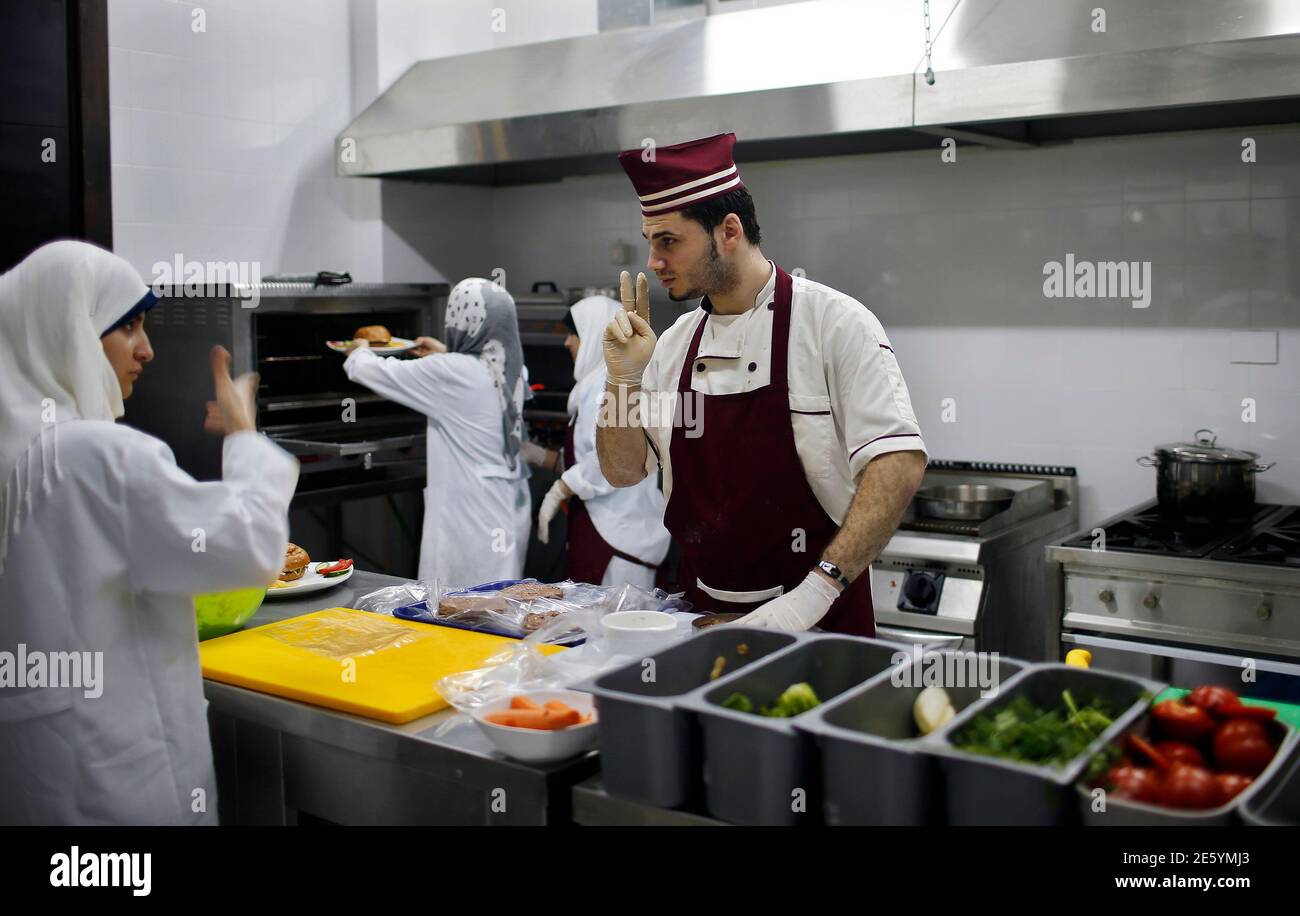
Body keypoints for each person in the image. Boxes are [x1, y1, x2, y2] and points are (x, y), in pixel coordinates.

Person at [0, 240, 298, 824]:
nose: (148, 350)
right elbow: (249, 545)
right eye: (127, 327)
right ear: (71, 331)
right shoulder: (93, 454)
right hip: (123, 782)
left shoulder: (17, 454)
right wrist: (244, 437)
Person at [597, 133, 929, 634]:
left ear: (728, 231)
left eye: (668, 241)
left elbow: (898, 463)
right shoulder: (673, 344)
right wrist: (621, 380)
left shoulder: (834, 324)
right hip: (701, 618)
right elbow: (623, 472)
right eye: (650, 242)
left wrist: (812, 597)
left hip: (820, 623)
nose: (653, 262)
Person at [343, 278, 530, 587]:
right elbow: (478, 367)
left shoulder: (451, 371)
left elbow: (373, 372)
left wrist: (358, 351)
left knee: (462, 610)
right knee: (500, 609)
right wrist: (445, 351)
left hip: (470, 515)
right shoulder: (514, 370)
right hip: (507, 505)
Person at [534, 295, 670, 590]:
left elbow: (609, 458)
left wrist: (560, 489)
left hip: (619, 535)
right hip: (604, 526)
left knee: (613, 626)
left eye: (574, 334)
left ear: (596, 334)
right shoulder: (591, 386)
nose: (567, 343)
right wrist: (537, 455)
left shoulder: (605, 387)